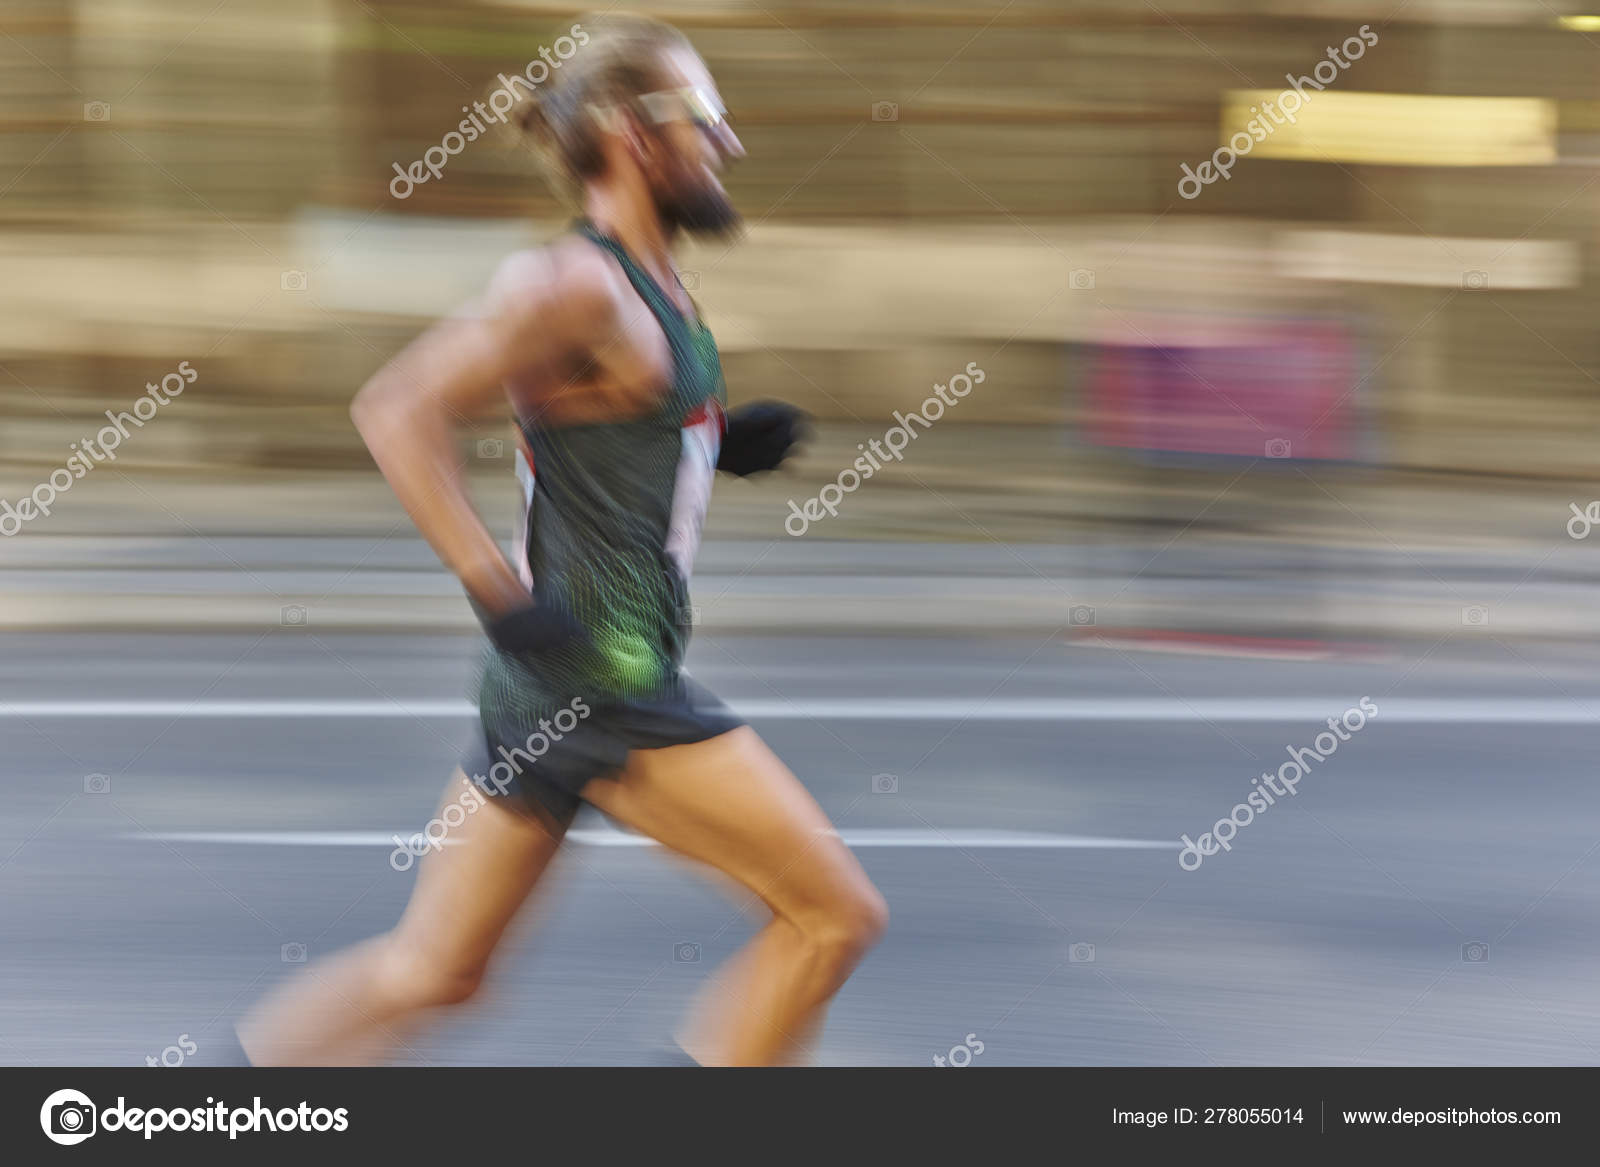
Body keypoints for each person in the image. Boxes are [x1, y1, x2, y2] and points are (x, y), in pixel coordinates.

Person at [236, 11, 886, 1068]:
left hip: (549, 689)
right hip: (603, 686)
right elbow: (397, 407)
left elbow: (590, 425)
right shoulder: (572, 283)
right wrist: (498, 593)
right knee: (832, 919)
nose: (732, 142)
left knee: (432, 976)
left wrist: (715, 440)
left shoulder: (651, 283)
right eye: (709, 116)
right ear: (636, 132)